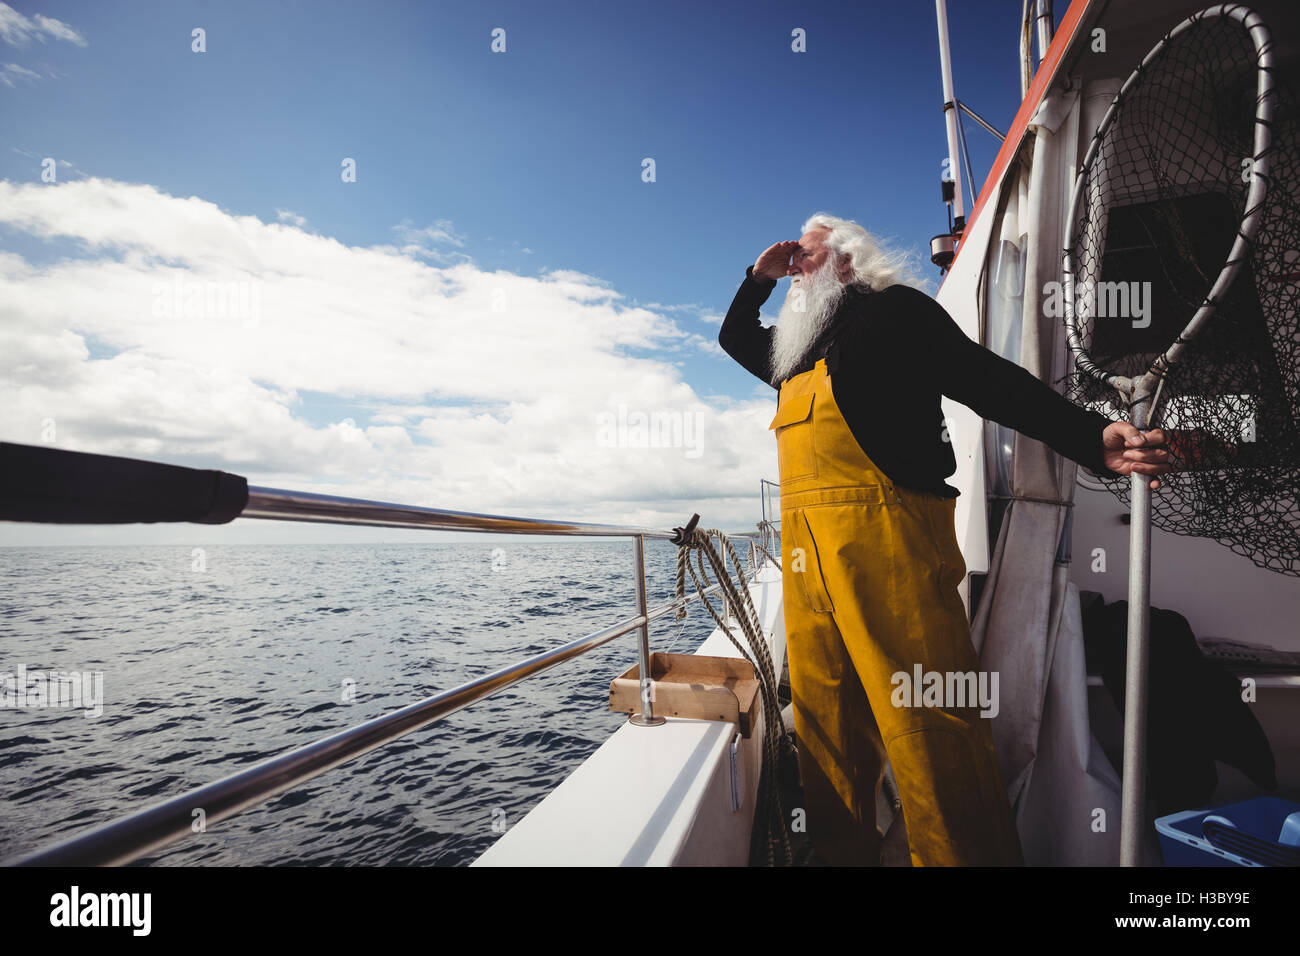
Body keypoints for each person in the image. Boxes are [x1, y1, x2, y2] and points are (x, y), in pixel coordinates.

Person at [719, 212, 1173, 866]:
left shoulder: (897, 314)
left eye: (807, 258)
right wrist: (757, 276)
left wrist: (1091, 438)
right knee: (828, 741)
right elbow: (733, 333)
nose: (798, 272)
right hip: (809, 578)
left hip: (896, 561)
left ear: (848, 262)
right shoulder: (792, 351)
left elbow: (991, 383)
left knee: (932, 737)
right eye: (792, 265)